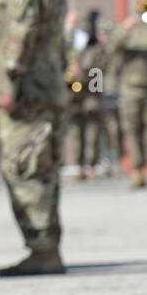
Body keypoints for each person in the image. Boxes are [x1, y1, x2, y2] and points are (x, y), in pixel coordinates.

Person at [0, 0, 67, 275]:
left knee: (26, 168)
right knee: (40, 168)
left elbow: (21, 36)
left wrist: (8, 85)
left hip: (27, 93)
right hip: (43, 89)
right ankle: (44, 247)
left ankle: (43, 248)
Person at [108, 0, 147, 187]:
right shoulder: (129, 27)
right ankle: (138, 171)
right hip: (131, 88)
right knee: (132, 130)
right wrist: (124, 29)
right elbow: (112, 49)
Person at [65, 10, 107, 179]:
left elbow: (99, 72)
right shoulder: (74, 49)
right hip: (75, 97)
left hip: (91, 95)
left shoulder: (97, 49)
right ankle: (79, 166)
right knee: (76, 132)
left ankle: (92, 166)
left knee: (92, 133)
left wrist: (84, 73)